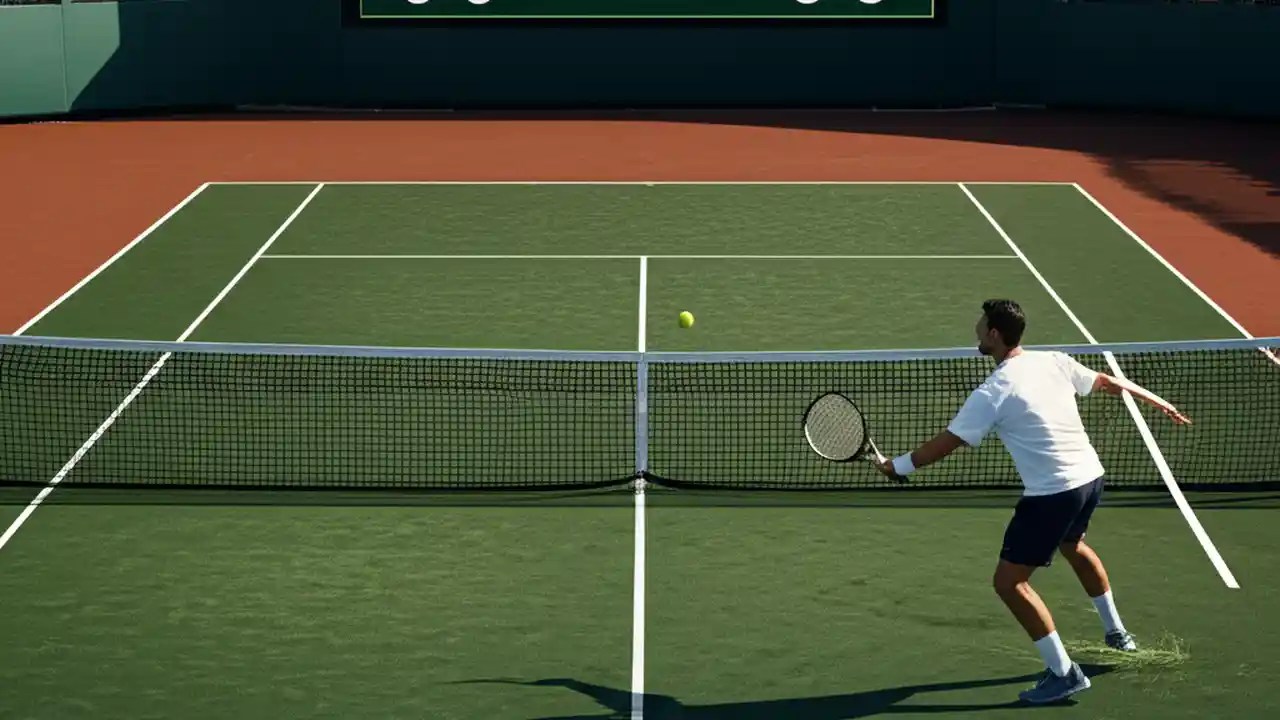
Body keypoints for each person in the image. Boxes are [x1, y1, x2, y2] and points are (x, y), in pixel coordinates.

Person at [876, 299, 1191, 704]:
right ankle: (1117, 633)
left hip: (1054, 493)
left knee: (1009, 583)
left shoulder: (992, 392)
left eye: (981, 323)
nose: (975, 327)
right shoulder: (1054, 361)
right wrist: (1157, 401)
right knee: (1073, 545)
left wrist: (896, 467)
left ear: (993, 333)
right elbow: (1110, 382)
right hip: (1090, 479)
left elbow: (945, 445)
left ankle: (1064, 674)